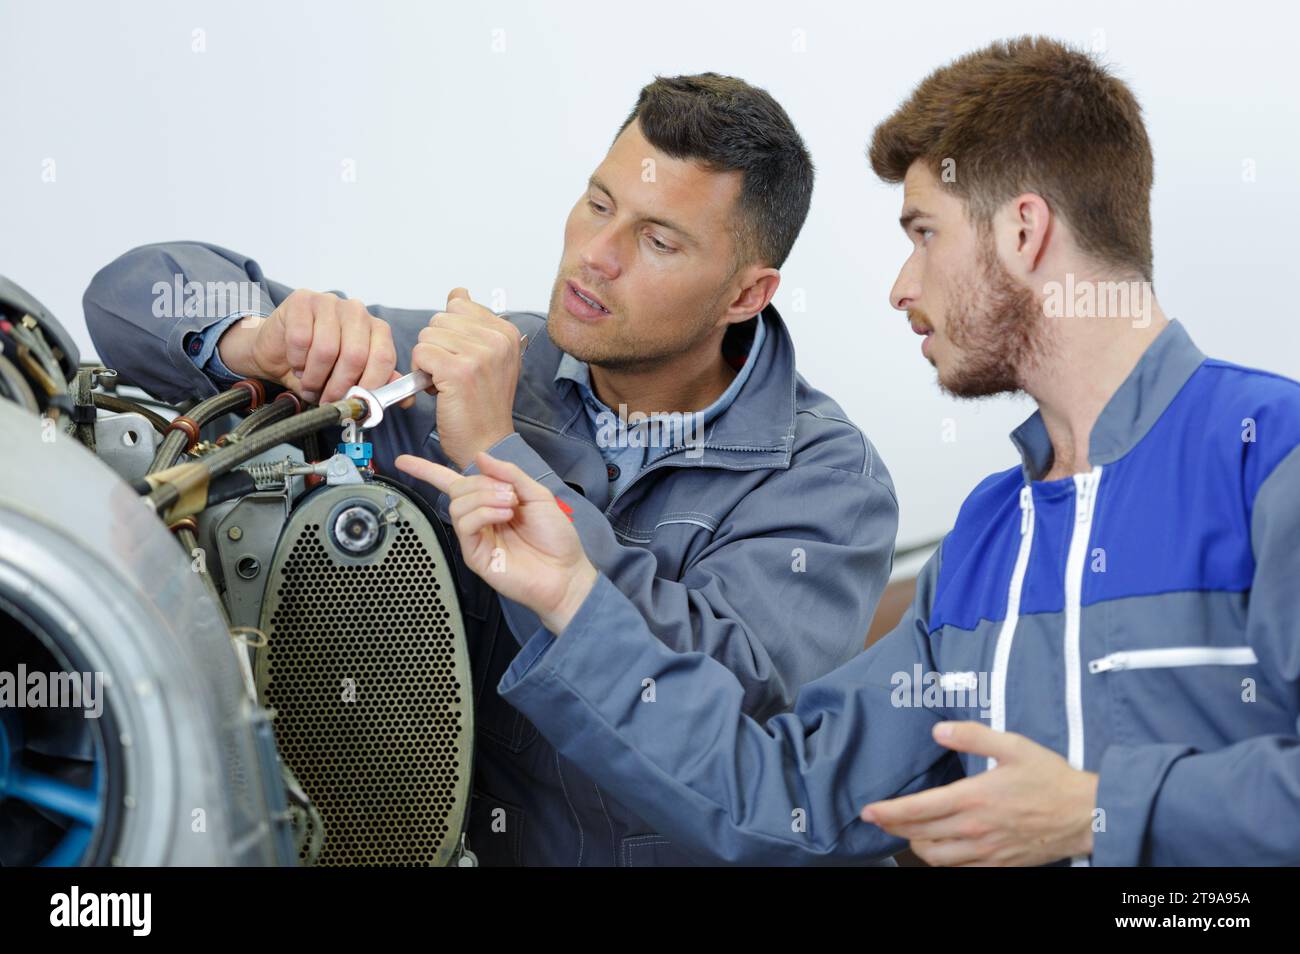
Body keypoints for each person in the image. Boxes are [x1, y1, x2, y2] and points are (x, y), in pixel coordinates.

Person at [405, 37, 1300, 866]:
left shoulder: (1270, 455)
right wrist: (569, 595)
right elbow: (785, 796)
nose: (901, 287)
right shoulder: (989, 544)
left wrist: (1103, 810)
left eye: (923, 234)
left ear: (1023, 233)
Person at [82, 73, 900, 866]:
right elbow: (132, 293)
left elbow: (731, 711)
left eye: (657, 240)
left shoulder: (829, 480)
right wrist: (252, 341)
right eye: (598, 204)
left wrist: (497, 451)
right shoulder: (469, 361)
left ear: (745, 296)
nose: (596, 256)